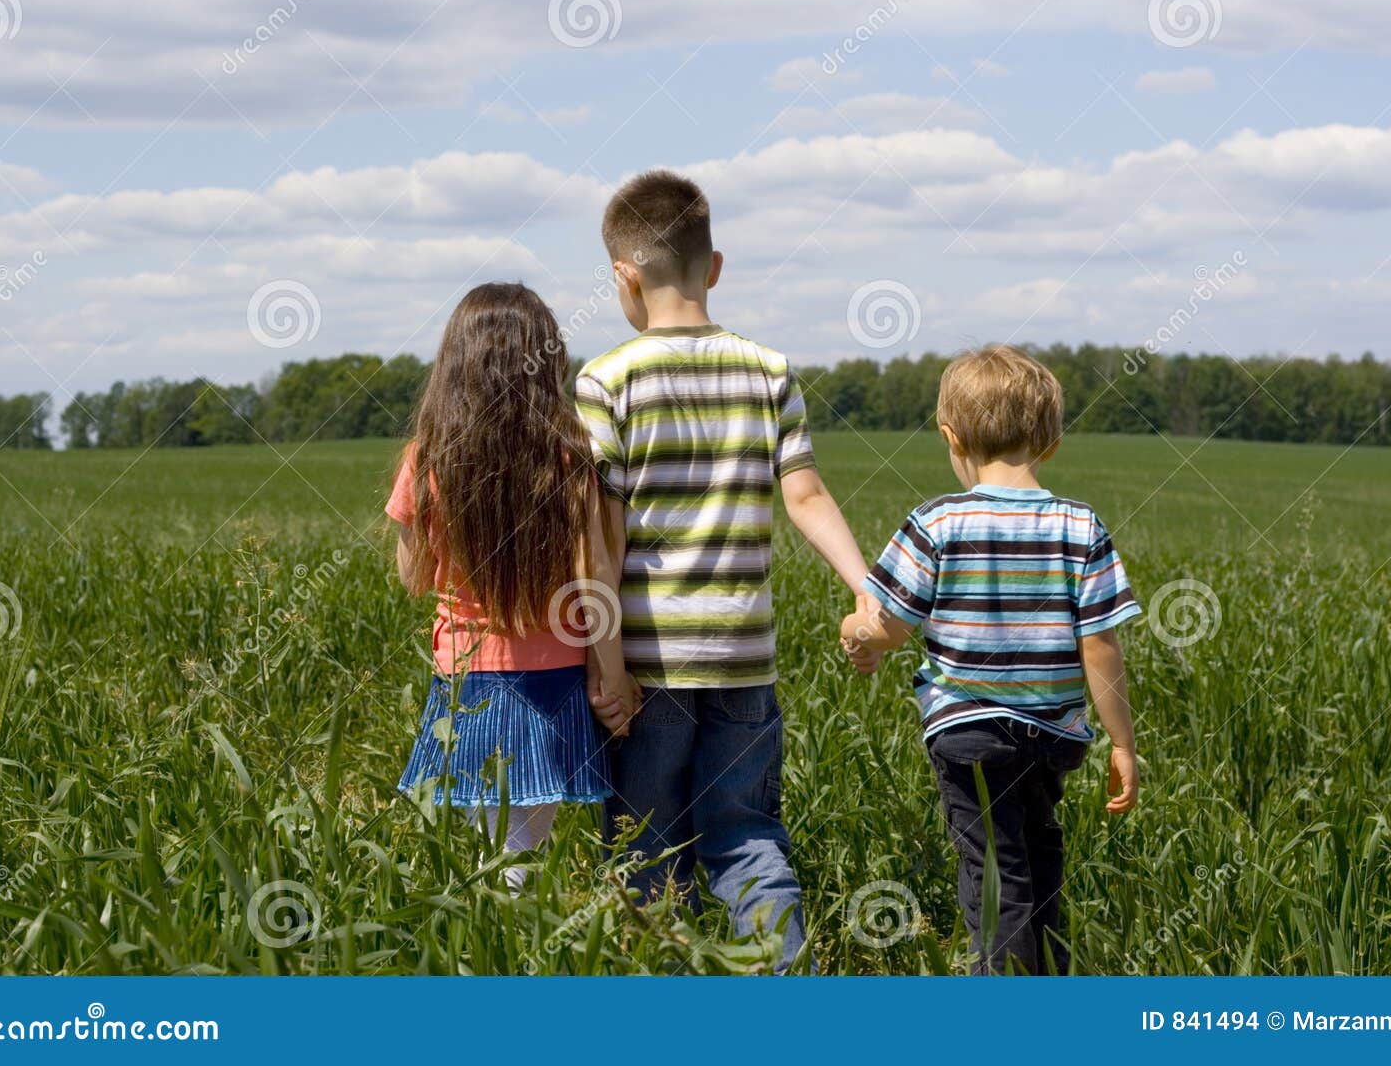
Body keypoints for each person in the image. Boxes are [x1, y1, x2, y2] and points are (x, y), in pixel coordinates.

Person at [575, 170, 873, 970]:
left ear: (623, 276)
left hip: (649, 666)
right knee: (746, 835)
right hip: (745, 658)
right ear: (713, 266)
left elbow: (600, 543)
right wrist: (863, 585)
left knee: (645, 851)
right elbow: (806, 495)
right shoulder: (768, 370)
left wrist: (607, 666)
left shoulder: (607, 380)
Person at [840, 344, 1140, 974]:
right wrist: (1122, 743)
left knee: (995, 876)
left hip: (967, 733)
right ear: (1051, 443)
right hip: (1053, 736)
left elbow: (888, 627)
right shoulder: (1081, 527)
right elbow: (1100, 645)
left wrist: (856, 632)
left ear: (950, 437)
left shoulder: (937, 522)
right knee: (1039, 859)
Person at [388, 282, 640, 889]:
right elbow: (595, 577)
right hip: (553, 677)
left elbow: (413, 576)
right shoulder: (565, 456)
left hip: (464, 679)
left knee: (501, 847)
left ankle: (494, 935)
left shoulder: (427, 459)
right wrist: (612, 675)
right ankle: (510, 936)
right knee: (521, 846)